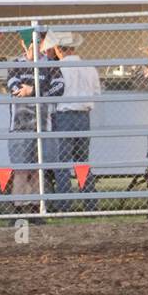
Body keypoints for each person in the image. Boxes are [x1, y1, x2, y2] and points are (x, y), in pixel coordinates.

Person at [7, 33, 64, 216]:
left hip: (43, 125)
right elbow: (14, 88)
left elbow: (59, 88)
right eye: (30, 42)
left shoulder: (50, 65)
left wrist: (32, 90)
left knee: (38, 171)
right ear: (23, 43)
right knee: (21, 170)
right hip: (20, 126)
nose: (34, 46)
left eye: (37, 42)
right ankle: (19, 209)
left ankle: (36, 209)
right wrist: (38, 91)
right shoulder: (15, 64)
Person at [49, 32, 101, 213]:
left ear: (58, 49)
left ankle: (64, 205)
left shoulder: (56, 68)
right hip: (83, 116)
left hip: (64, 115)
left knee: (62, 162)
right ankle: (90, 203)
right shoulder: (89, 67)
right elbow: (96, 92)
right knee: (82, 161)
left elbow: (51, 92)